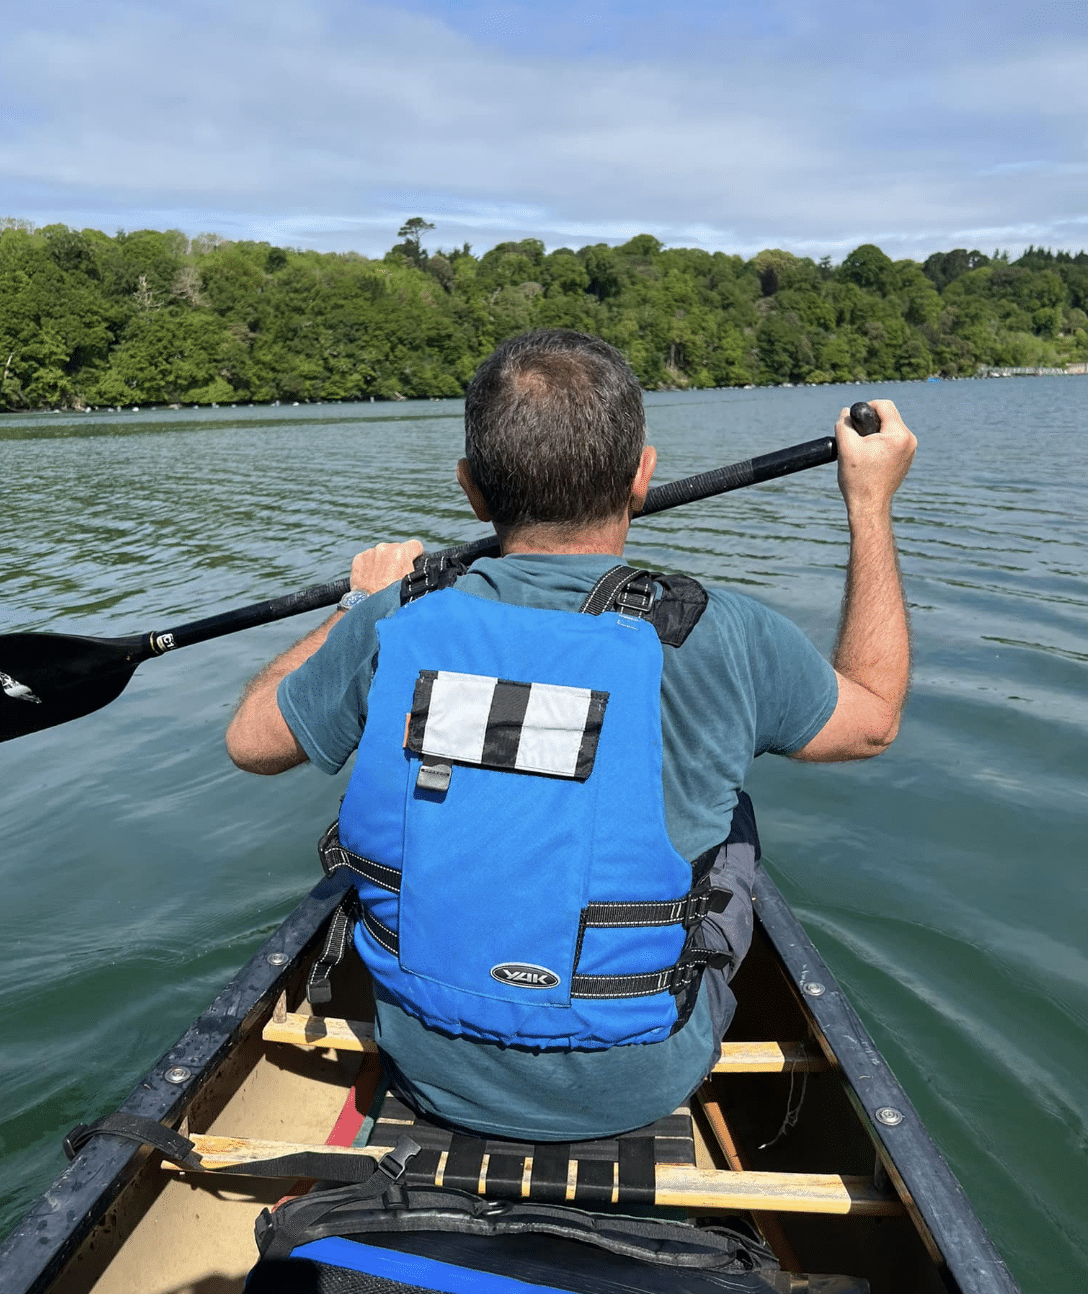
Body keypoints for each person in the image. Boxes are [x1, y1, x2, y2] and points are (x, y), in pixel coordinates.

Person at [227, 328, 915, 1142]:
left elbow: (252, 741)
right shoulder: (718, 632)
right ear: (641, 476)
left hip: (430, 1063)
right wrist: (869, 506)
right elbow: (871, 721)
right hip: (644, 1078)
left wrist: (355, 607)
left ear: (472, 492)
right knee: (725, 812)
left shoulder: (395, 618)